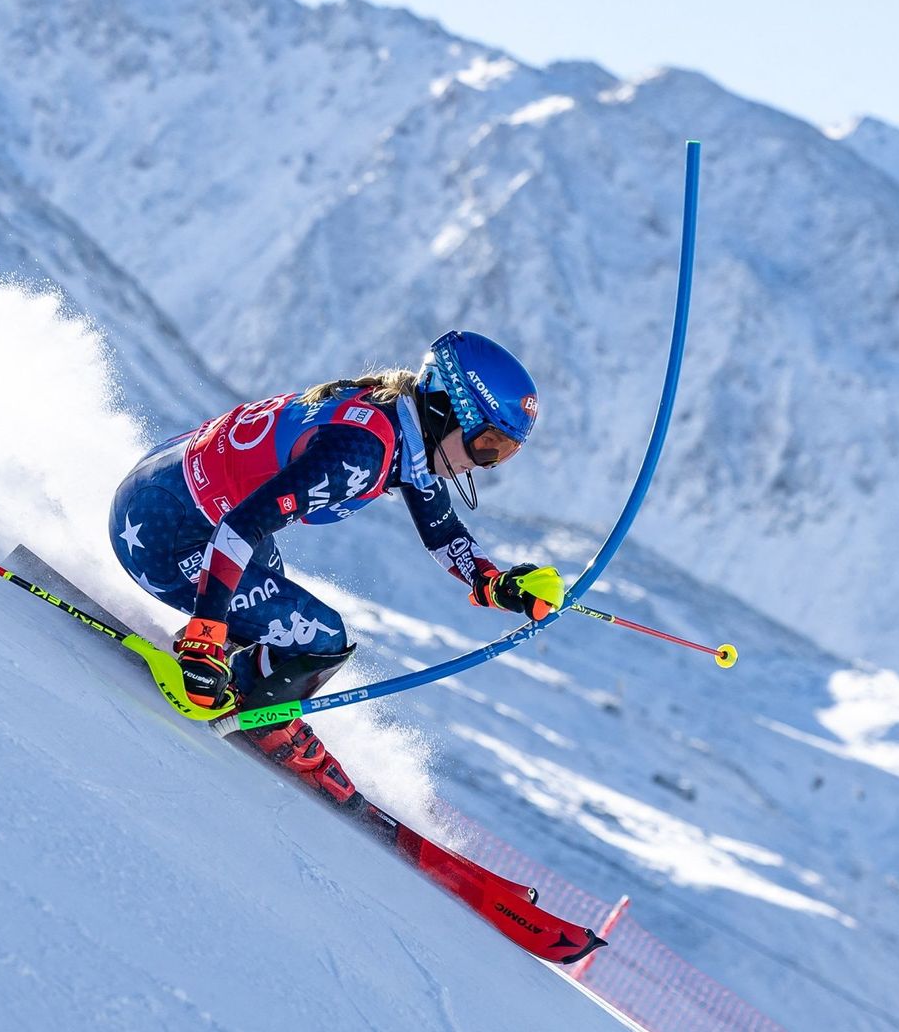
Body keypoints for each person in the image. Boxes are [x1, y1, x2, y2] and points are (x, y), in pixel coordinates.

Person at [108, 331, 564, 806]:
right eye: (488, 444)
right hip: (163, 534)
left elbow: (443, 530)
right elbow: (240, 528)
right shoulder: (360, 452)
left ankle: (222, 659)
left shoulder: (399, 425)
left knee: (278, 609)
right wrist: (205, 635)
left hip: (162, 493)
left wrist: (494, 582)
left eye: (504, 453)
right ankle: (257, 712)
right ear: (446, 407)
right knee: (321, 638)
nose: (486, 464)